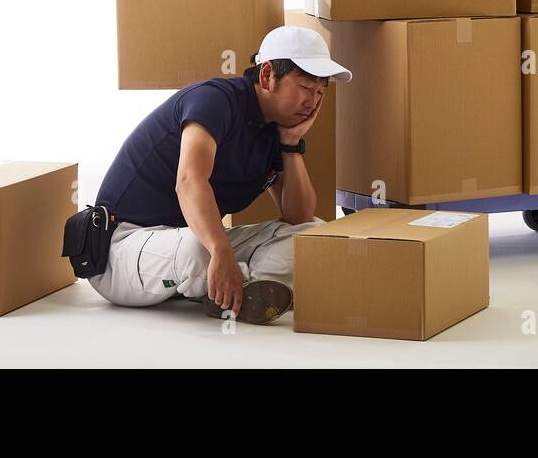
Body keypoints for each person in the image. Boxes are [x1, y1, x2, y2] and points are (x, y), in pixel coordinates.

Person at [88, 25, 352, 324]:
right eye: (306, 88)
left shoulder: (273, 130)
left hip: (191, 242)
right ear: (267, 75)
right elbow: (189, 182)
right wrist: (220, 250)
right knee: (197, 247)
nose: (313, 102)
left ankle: (240, 289)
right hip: (123, 250)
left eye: (320, 92)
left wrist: (291, 145)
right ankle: (234, 283)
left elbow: (299, 215)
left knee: (313, 234)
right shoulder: (215, 100)